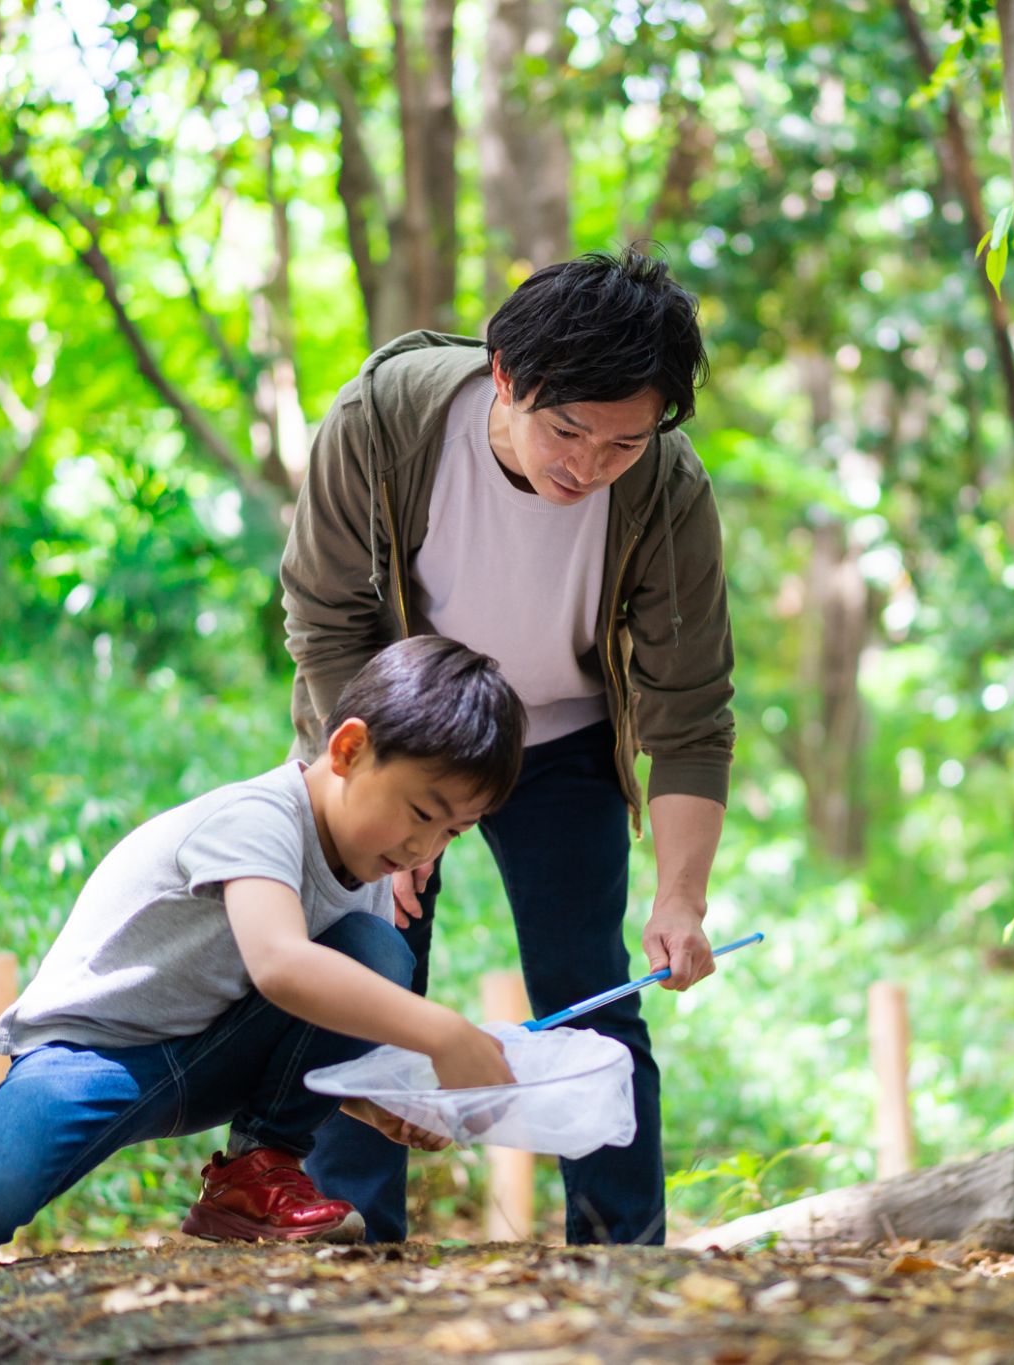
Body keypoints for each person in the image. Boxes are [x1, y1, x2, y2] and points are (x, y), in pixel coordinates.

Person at [281, 247, 735, 1245]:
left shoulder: (664, 487)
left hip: (563, 742)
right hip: (393, 730)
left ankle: (622, 1259)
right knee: (362, 973)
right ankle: (345, 1244)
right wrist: (392, 801)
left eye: (622, 443)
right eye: (566, 430)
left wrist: (679, 896)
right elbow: (322, 621)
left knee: (591, 998)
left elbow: (689, 711)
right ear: (503, 375)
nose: (587, 464)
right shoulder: (387, 417)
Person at [0, 637, 526, 1281]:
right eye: (422, 812)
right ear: (348, 749)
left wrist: (376, 1103)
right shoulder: (259, 819)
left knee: (375, 951)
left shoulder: (368, 875)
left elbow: (304, 1035)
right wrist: (445, 1033)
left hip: (208, 1058)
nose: (423, 845)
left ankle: (256, 1174)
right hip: (91, 1057)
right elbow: (280, 966)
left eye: (452, 832)